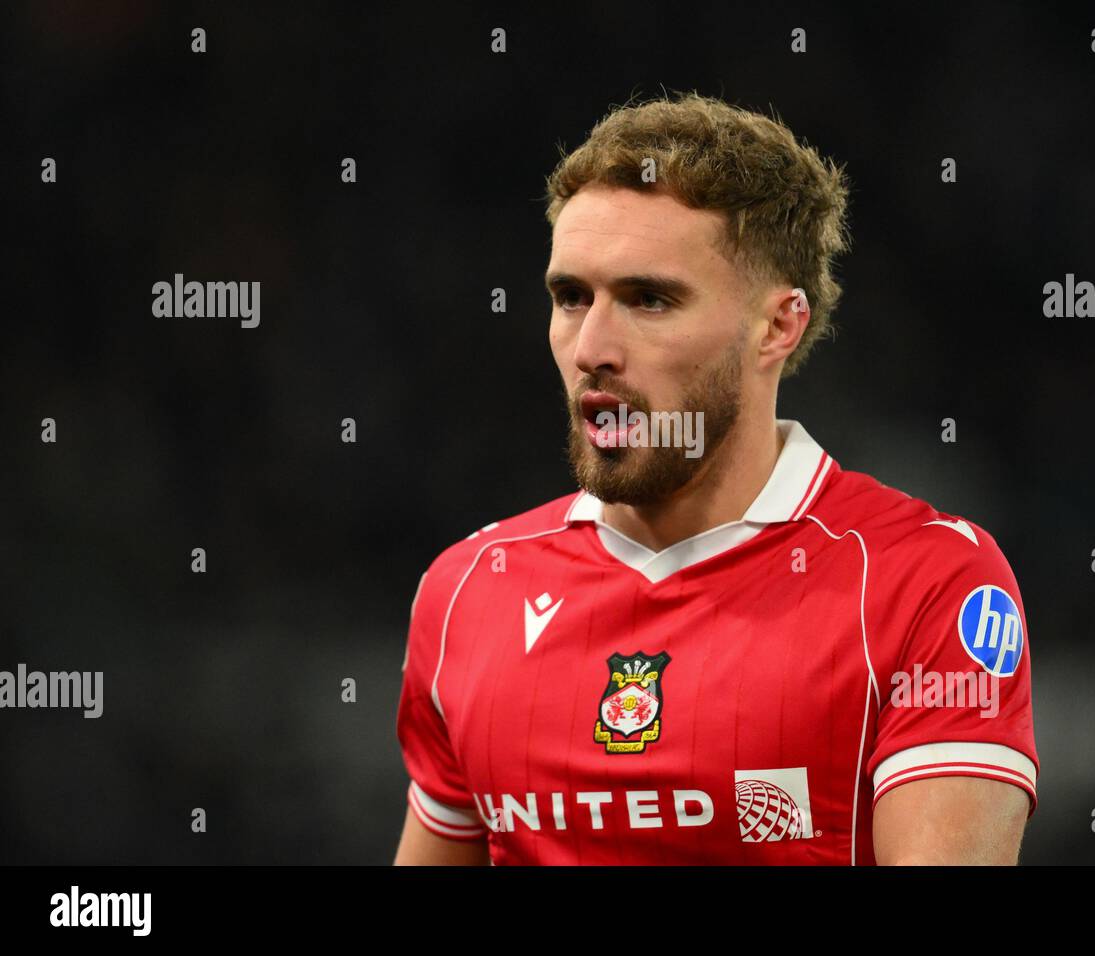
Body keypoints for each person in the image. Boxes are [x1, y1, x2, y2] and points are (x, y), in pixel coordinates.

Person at [394, 92, 1037, 865]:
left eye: (649, 299)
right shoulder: (467, 592)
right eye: (571, 298)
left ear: (777, 326)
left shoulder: (923, 584)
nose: (592, 345)